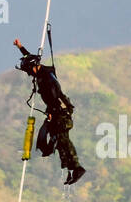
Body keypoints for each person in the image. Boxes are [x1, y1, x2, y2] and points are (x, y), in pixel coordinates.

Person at [14, 38, 85, 184]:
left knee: (63, 139)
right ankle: (70, 169)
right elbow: (30, 58)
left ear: (34, 68)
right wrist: (20, 47)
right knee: (57, 140)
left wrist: (52, 112)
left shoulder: (47, 79)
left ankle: (76, 168)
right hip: (56, 110)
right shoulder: (41, 71)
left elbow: (55, 96)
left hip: (60, 111)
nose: (29, 74)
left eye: (28, 71)